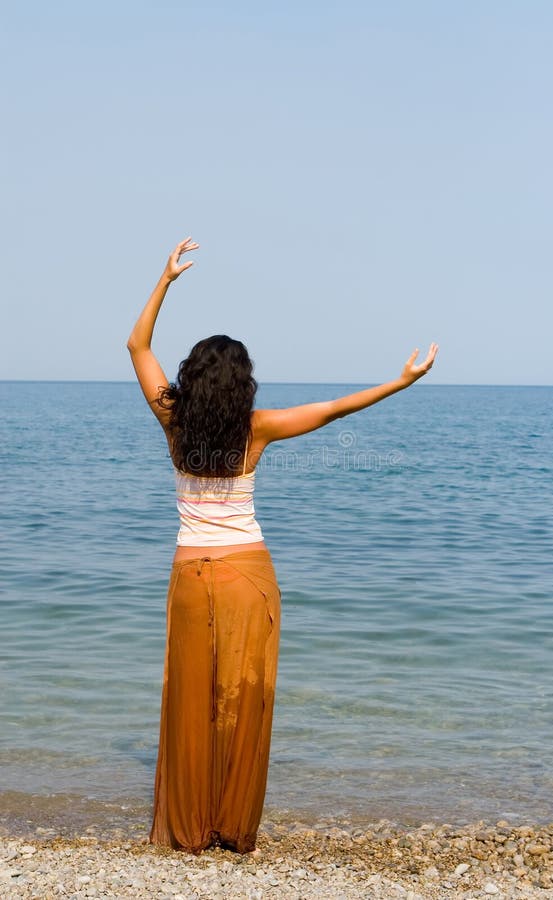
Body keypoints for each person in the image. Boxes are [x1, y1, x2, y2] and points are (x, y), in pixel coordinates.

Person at [127, 237, 438, 855]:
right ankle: (232, 826)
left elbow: (137, 346)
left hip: (191, 576)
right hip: (248, 574)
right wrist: (400, 382)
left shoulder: (173, 421)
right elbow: (333, 411)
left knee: (189, 694)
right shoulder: (257, 426)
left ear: (191, 378)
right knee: (243, 695)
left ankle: (188, 830)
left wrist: (164, 281)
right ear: (243, 384)